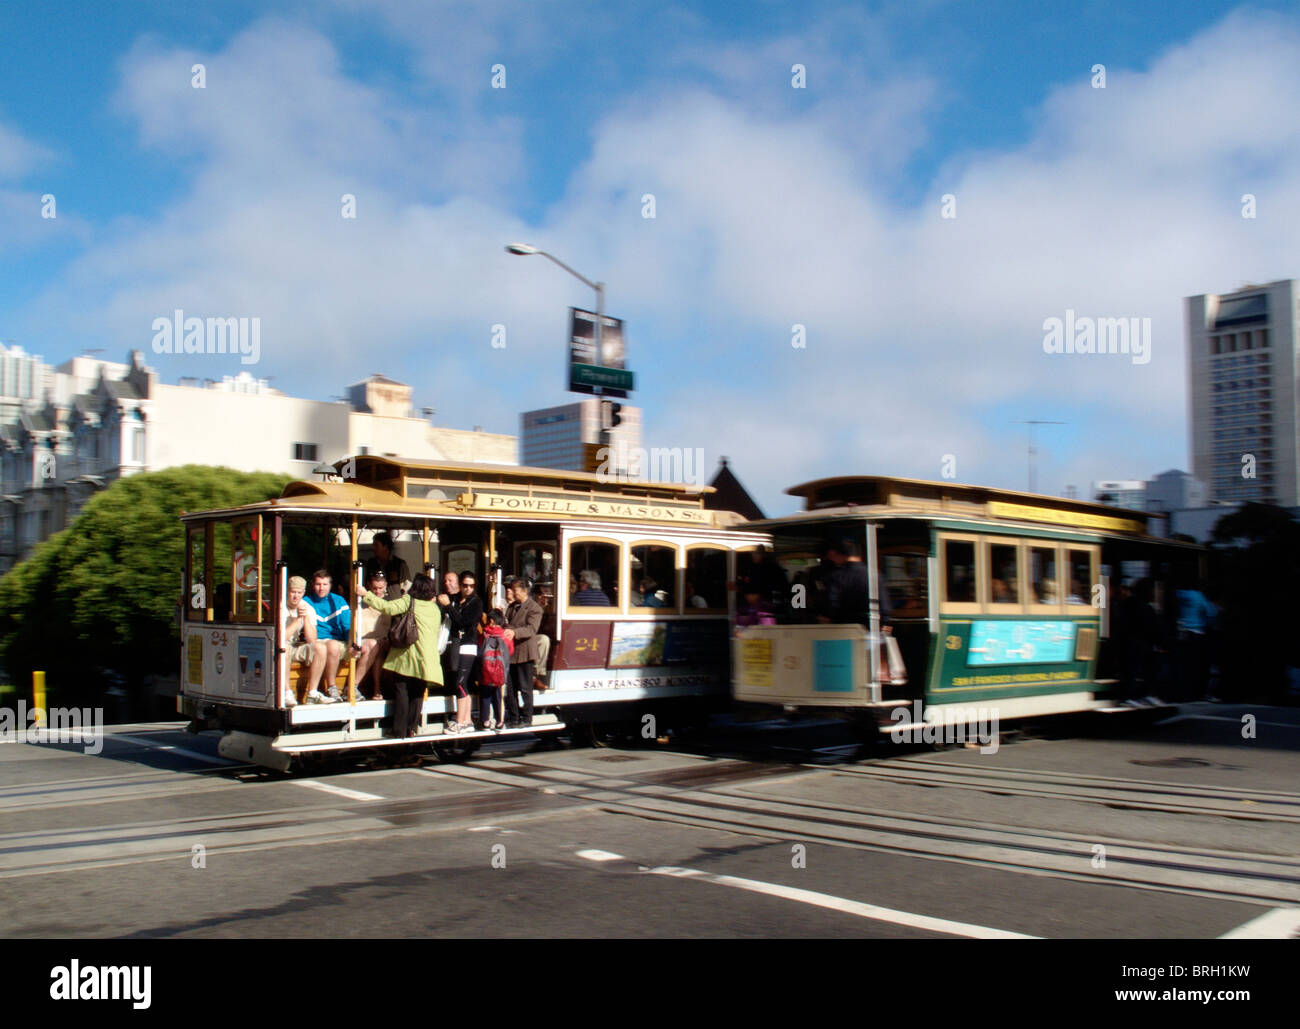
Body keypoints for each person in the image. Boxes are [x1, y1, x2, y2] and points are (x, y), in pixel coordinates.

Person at [360, 572, 444, 738]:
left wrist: (365, 595)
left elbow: (388, 608)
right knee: (417, 694)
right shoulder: (434, 609)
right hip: (427, 659)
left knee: (402, 691)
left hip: (408, 656)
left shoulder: (410, 601)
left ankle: (399, 730)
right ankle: (412, 728)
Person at [438, 570, 483, 732]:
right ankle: (468, 721)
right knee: (461, 682)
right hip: (457, 644)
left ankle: (460, 721)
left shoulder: (476, 603)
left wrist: (448, 607)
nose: (468, 589)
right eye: (465, 585)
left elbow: (465, 622)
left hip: (468, 645)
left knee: (460, 683)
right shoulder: (458, 600)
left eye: (471, 586)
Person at [303, 570, 350, 703]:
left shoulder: (338, 601)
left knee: (333, 645)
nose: (321, 588)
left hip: (335, 641)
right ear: (313, 585)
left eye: (325, 584)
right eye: (318, 584)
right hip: (315, 641)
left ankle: (332, 687)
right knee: (324, 646)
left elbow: (347, 626)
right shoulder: (306, 602)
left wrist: (352, 642)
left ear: (330, 585)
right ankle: (319, 690)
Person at [503, 577, 543, 727]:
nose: (513, 593)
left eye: (516, 590)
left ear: (524, 591)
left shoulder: (534, 608)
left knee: (525, 687)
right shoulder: (512, 606)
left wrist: (514, 632)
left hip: (525, 651)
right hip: (511, 651)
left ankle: (527, 718)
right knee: (511, 687)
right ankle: (514, 717)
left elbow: (532, 629)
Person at [350, 568, 391, 700]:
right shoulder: (358, 601)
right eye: (374, 588)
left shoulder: (389, 603)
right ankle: (364, 688)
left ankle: (376, 689)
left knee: (378, 646)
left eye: (380, 588)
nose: (378, 591)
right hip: (363, 641)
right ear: (369, 586)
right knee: (374, 646)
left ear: (385, 586)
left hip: (383, 641)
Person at [818, 537, 872, 627]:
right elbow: (885, 609)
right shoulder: (873, 574)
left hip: (844, 627)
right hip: (868, 626)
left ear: (833, 554)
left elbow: (833, 603)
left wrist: (827, 617)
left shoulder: (838, 576)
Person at [281, 575, 317, 706]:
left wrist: (305, 618)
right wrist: (297, 620)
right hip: (281, 646)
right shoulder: (280, 606)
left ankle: (312, 692)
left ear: (303, 593)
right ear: (287, 592)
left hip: (296, 645)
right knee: (283, 648)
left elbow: (312, 639)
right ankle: (286, 692)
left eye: (299, 593)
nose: (296, 596)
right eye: (293, 592)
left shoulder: (307, 607)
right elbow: (281, 638)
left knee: (320, 648)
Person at [478, 610, 512, 730]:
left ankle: (485, 721)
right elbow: (510, 650)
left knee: (485, 695)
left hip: (486, 672)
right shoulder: (505, 635)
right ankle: (499, 721)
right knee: (498, 696)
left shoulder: (485, 634)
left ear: (491, 621)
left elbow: (480, 650)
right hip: (500, 672)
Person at [364, 532, 411, 597]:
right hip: (375, 604)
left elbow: (407, 587)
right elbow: (366, 585)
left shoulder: (399, 564)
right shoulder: (371, 563)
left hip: (394, 604)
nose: (373, 548)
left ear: (385, 547)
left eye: (376, 545)